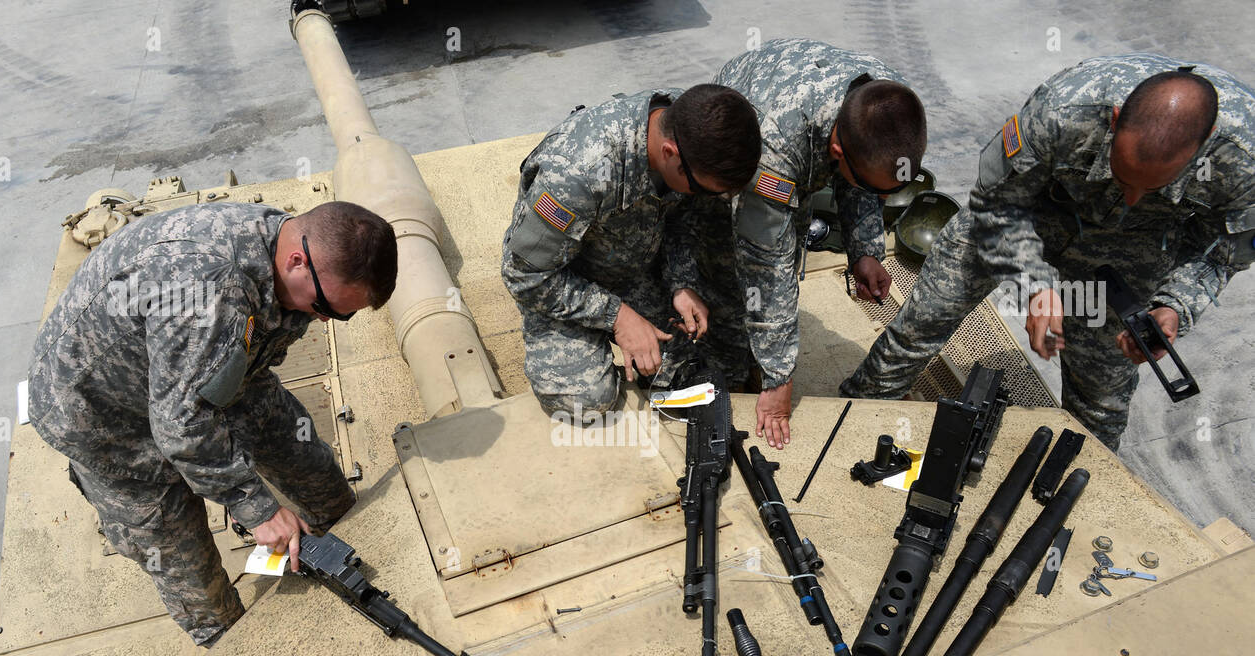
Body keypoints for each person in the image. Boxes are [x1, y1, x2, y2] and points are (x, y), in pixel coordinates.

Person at [841, 56, 1255, 451]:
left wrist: (1175, 305)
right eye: (1123, 177)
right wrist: (1036, 287)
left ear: (1205, 148)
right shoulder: (1066, 109)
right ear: (1112, 123)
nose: (1131, 197)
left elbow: (1223, 253)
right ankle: (848, 419)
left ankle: (1080, 481)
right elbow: (996, 201)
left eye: (1152, 189)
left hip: (1135, 250)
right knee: (920, 324)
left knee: (1100, 399)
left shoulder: (1246, 161)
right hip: (1029, 212)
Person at [29, 200, 398, 645]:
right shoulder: (208, 290)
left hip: (205, 369)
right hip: (103, 416)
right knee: (182, 557)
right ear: (297, 260)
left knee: (304, 457)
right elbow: (180, 426)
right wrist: (258, 509)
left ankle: (342, 539)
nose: (326, 318)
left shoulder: (282, 245)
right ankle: (232, 654)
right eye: (327, 306)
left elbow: (231, 365)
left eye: (345, 313)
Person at [665, 38, 927, 448]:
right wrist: (779, 376)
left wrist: (866, 251)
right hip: (746, 130)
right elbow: (765, 267)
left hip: (808, 128)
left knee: (794, 235)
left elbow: (863, 180)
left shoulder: (890, 105)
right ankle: (729, 358)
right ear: (837, 152)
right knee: (729, 265)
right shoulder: (773, 150)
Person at [501, 83, 761, 417]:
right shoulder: (577, 171)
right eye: (702, 189)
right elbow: (523, 274)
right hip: (565, 279)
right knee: (587, 402)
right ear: (670, 154)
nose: (705, 197)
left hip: (633, 263)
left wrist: (681, 283)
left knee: (691, 371)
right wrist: (618, 318)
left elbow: (680, 216)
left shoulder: (691, 126)